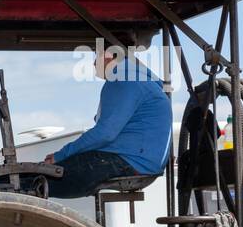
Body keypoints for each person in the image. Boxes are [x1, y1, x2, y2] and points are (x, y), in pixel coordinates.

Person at [44, 47, 172, 198]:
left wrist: (60, 156)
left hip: (129, 161)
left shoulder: (124, 80)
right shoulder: (140, 80)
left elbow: (105, 133)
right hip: (143, 162)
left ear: (108, 57)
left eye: (96, 57)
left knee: (41, 179)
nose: (93, 64)